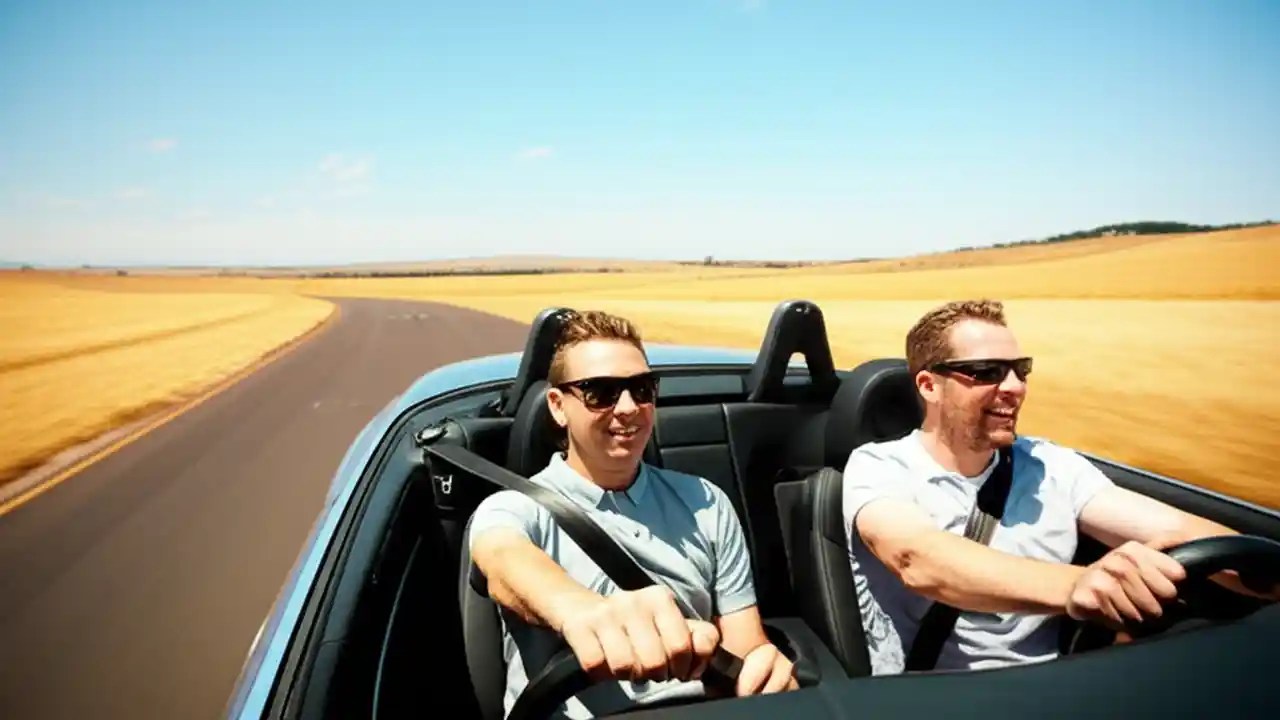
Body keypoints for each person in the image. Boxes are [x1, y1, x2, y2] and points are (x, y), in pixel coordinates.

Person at [842, 298, 1275, 676]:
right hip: (929, 696)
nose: (1015, 388)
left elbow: (1175, 530)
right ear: (929, 386)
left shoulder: (1051, 466)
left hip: (1059, 688)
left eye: (1020, 370)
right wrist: (1079, 586)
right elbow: (919, 559)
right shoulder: (880, 466)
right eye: (987, 372)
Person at [469, 309, 797, 719]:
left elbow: (745, 646)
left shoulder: (706, 502)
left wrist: (766, 676)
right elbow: (502, 558)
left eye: (642, 389)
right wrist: (582, 611)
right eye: (599, 392)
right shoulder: (517, 507)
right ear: (557, 406)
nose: (628, 407)